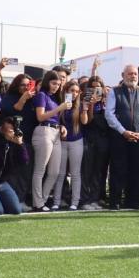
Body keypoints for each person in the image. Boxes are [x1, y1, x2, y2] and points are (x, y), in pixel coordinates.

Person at [105, 65, 139, 210]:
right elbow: (109, 114)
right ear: (123, 75)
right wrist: (123, 131)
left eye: (135, 74)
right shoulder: (115, 91)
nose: (133, 76)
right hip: (120, 137)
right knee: (118, 169)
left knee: (136, 170)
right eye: (130, 74)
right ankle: (115, 201)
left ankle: (133, 201)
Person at [31, 71, 69, 212]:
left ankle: (42, 200)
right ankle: (38, 203)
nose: (56, 87)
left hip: (55, 133)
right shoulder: (41, 95)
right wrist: (60, 108)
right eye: (54, 83)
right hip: (43, 132)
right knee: (40, 170)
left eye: (58, 84)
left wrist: (62, 126)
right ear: (47, 82)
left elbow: (55, 118)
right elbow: (40, 117)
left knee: (54, 172)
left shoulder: (55, 97)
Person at [1, 74, 36, 209]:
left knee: (25, 172)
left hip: (27, 140)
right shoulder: (9, 97)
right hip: (11, 140)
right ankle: (10, 201)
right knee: (12, 173)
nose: (26, 88)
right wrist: (23, 98)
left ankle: (20, 200)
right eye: (23, 85)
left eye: (28, 85)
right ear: (16, 85)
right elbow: (11, 110)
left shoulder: (33, 100)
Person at [51, 81, 88, 210]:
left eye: (77, 91)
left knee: (75, 173)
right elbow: (55, 120)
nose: (74, 93)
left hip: (77, 141)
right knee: (60, 173)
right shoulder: (60, 104)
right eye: (72, 90)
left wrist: (84, 110)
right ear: (66, 91)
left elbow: (85, 121)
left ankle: (75, 202)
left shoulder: (79, 105)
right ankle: (56, 201)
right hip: (61, 142)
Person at [0, 117, 27, 215]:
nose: (12, 131)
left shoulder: (14, 140)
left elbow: (24, 161)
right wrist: (5, 141)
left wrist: (20, 144)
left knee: (16, 210)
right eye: (10, 126)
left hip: (2, 183)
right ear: (2, 126)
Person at [79, 76, 109, 210]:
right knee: (87, 171)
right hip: (89, 139)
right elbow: (87, 121)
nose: (96, 89)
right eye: (93, 87)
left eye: (98, 86)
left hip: (103, 140)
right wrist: (91, 105)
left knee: (99, 171)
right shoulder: (85, 101)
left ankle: (95, 199)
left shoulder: (107, 101)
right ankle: (85, 200)